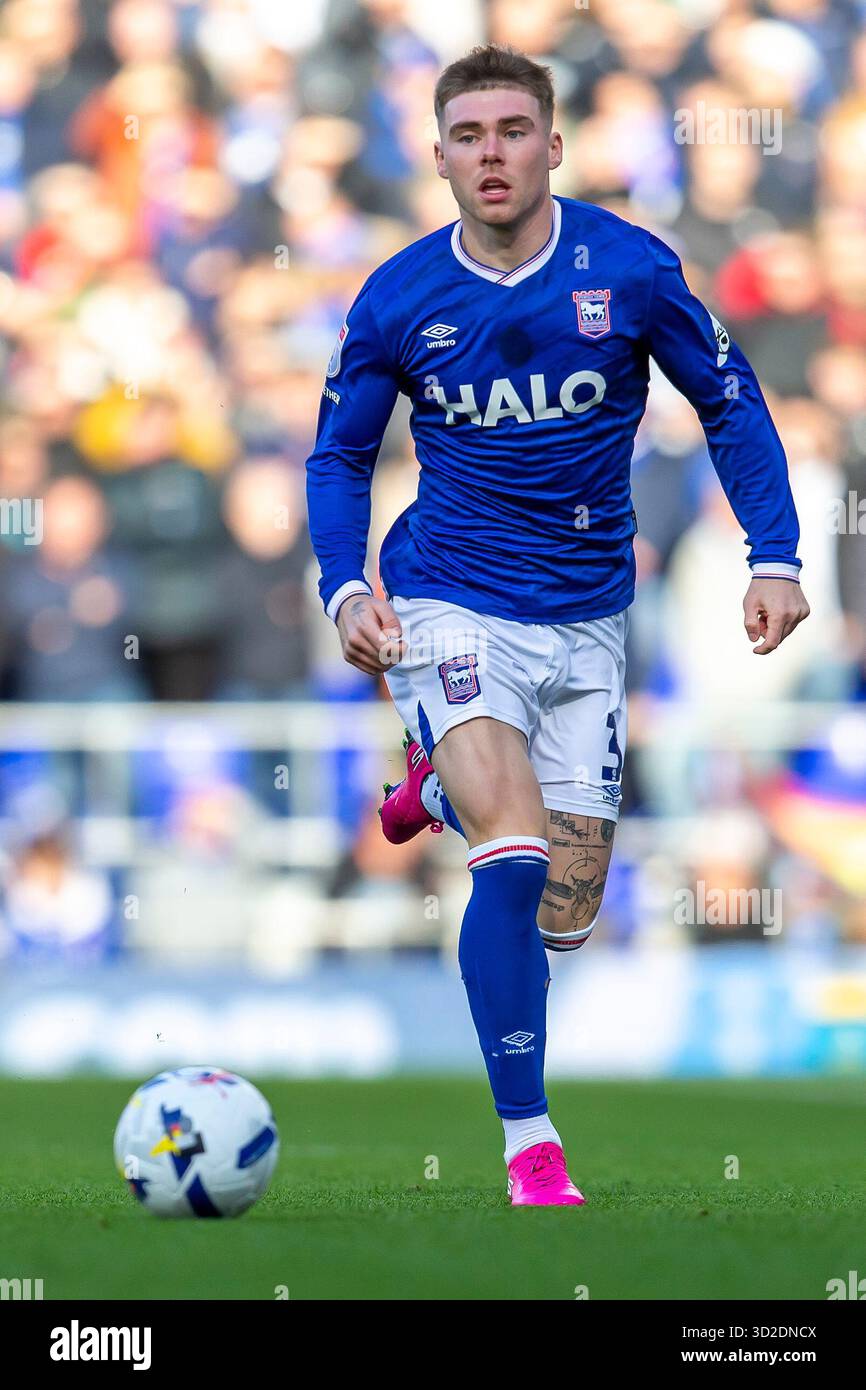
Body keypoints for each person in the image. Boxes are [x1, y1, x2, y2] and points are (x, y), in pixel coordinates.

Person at [305, 44, 810, 1206]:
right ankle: (530, 1146)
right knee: (513, 855)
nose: (491, 153)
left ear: (552, 145)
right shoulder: (396, 295)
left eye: (511, 131)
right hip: (446, 594)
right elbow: (338, 452)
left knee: (565, 916)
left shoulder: (626, 269)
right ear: (435, 155)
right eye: (468, 135)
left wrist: (773, 553)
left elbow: (726, 400)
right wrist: (344, 585)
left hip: (587, 615)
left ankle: (432, 785)